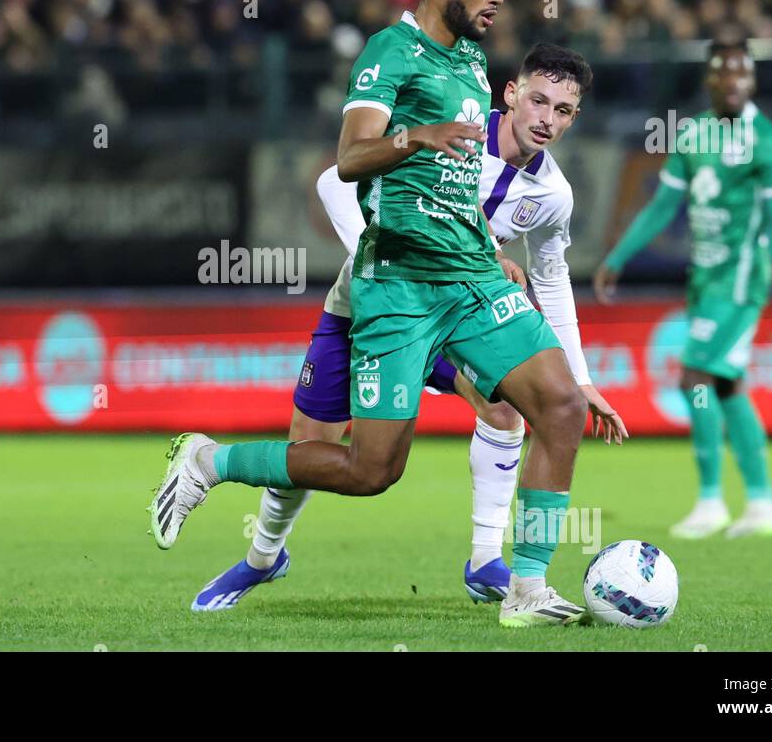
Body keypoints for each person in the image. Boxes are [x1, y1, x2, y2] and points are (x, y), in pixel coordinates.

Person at [150, 0, 592, 628]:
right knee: (370, 470)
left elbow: (453, 193)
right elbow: (351, 160)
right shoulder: (392, 50)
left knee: (562, 405)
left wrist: (489, 251)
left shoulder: (473, 65)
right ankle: (209, 461)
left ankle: (526, 588)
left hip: (471, 276)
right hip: (398, 284)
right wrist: (416, 135)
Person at [191, 44, 627, 613]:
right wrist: (399, 267)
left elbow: (552, 277)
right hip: (372, 306)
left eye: (564, 110)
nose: (547, 119)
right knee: (316, 445)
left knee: (511, 405)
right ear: (510, 95)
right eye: (538, 101)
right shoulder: (453, 131)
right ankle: (263, 558)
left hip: (458, 317)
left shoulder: (553, 195)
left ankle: (487, 562)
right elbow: (333, 184)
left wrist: (581, 376)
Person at [594, 33, 772, 539]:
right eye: (724, 70)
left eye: (743, 71)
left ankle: (711, 500)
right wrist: (618, 255)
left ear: (752, 80)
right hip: (706, 280)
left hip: (741, 282)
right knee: (727, 386)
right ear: (710, 78)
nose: (733, 79)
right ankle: (762, 503)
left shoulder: (769, 141)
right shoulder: (693, 135)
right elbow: (664, 207)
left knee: (695, 380)